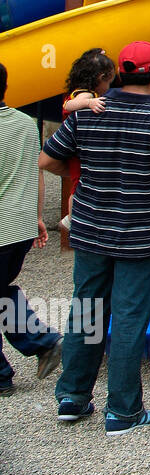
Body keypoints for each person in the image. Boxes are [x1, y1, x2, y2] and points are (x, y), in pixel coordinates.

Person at [39, 41, 150, 435]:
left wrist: (89, 182)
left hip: (90, 230)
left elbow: (49, 158)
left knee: (87, 309)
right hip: (139, 235)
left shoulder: (90, 112)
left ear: (122, 74)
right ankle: (123, 411)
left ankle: (72, 397)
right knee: (127, 318)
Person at [0, 61, 60, 395]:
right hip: (19, 225)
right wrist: (37, 216)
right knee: (2, 289)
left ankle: (38, 346)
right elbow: (34, 171)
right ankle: (41, 342)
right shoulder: (25, 124)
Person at [58, 49, 116, 232]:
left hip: (75, 145)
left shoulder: (79, 91)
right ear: (100, 78)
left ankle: (73, 216)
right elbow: (69, 105)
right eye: (109, 82)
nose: (109, 87)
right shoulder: (85, 95)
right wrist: (89, 103)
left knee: (78, 182)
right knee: (77, 183)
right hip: (76, 148)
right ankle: (71, 218)